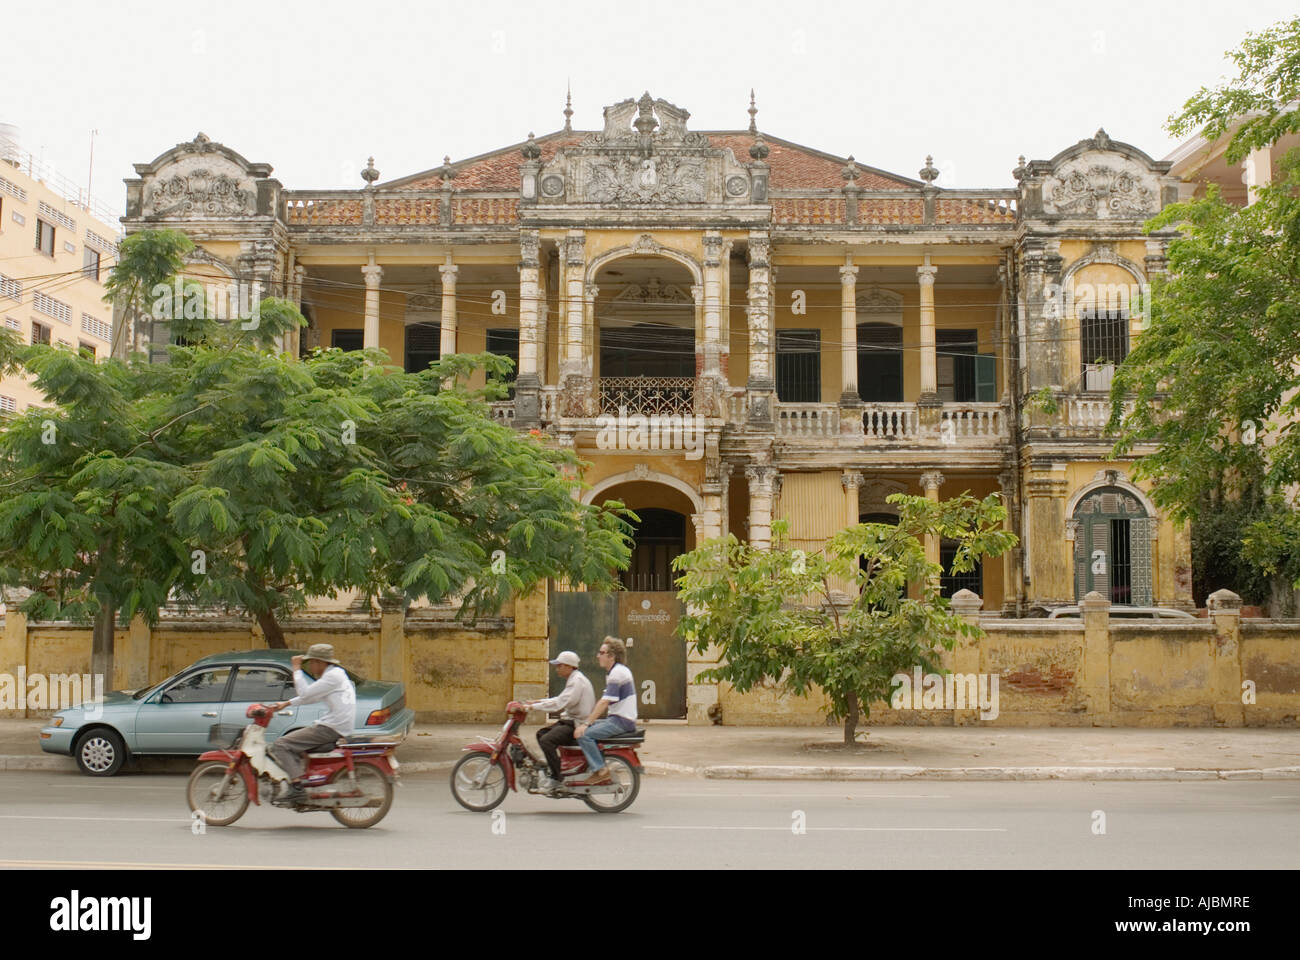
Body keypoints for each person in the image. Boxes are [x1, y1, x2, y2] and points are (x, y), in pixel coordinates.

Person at [267, 643, 356, 800]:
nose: (311, 667)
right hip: (337, 725)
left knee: (280, 745)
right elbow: (311, 697)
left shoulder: (332, 676)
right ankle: (300, 778)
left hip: (332, 727)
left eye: (312, 663)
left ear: (320, 662)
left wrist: (297, 669)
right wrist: (285, 704)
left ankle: (297, 787)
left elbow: (305, 693)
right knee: (294, 741)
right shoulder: (335, 674)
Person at [522, 651, 595, 789]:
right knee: (541, 734)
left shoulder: (576, 681)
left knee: (546, 740)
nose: (557, 669)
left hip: (576, 723)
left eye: (559, 665)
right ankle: (555, 766)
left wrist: (532, 707)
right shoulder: (574, 679)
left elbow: (559, 703)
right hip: (570, 720)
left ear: (568, 666)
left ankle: (557, 778)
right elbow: (559, 699)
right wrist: (536, 702)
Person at [570, 636, 637, 787]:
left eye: (601, 652)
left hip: (621, 721)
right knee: (583, 727)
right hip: (618, 719)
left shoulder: (617, 673)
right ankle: (595, 765)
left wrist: (586, 723)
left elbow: (604, 702)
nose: (597, 656)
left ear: (611, 656)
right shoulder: (616, 672)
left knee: (584, 734)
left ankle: (600, 770)